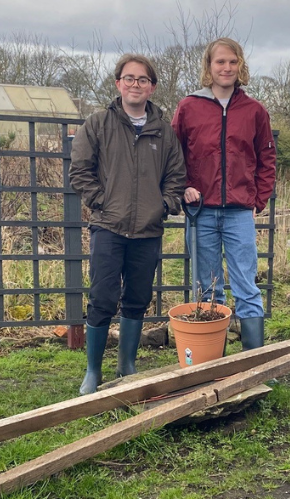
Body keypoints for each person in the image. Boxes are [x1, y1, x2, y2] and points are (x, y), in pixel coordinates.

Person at [70, 53, 188, 395]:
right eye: (129, 78)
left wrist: (163, 205)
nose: (136, 85)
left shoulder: (163, 132)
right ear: (118, 83)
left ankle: (127, 365)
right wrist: (102, 202)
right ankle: (93, 371)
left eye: (143, 80)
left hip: (147, 232)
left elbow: (176, 177)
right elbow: (80, 171)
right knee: (102, 297)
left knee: (137, 298)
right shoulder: (98, 124)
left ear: (151, 88)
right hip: (109, 228)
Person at [172, 37, 276, 352]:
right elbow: (174, 155)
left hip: (239, 213)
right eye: (220, 62)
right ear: (209, 66)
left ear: (240, 65)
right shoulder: (189, 107)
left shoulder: (254, 110)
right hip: (200, 211)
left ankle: (251, 364)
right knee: (208, 288)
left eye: (232, 61)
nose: (226, 67)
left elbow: (267, 159)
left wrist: (259, 199)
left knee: (246, 286)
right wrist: (183, 187)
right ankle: (211, 360)